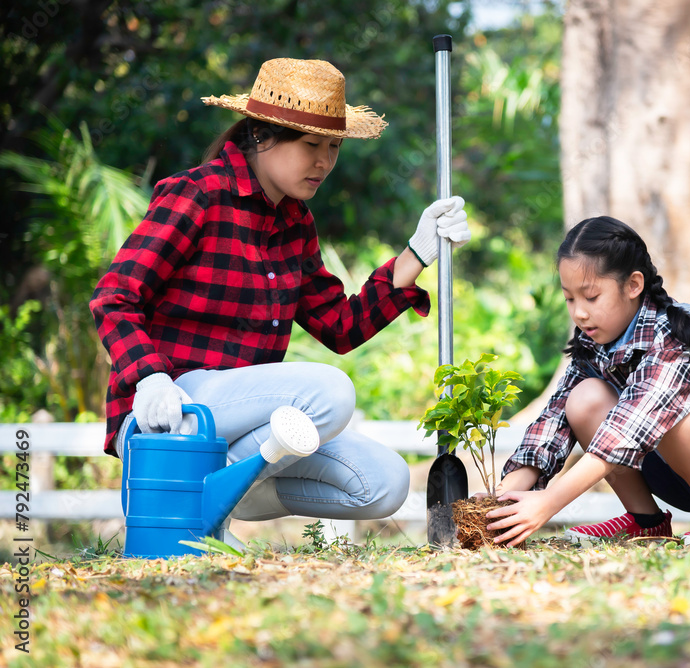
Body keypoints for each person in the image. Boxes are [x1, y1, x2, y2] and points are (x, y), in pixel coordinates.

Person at [91, 57, 471, 545]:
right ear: (262, 136)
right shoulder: (198, 195)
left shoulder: (294, 223)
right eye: (311, 144)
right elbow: (114, 296)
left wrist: (416, 255)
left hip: (237, 434)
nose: (324, 162)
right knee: (330, 393)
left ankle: (200, 502)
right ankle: (174, 494)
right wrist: (150, 378)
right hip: (165, 417)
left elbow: (339, 326)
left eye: (334, 146)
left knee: (384, 482)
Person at [484, 216, 690, 546]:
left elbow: (630, 428)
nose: (579, 313)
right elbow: (553, 423)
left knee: (673, 411)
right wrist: (499, 500)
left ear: (633, 285)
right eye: (570, 299)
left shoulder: (676, 335)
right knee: (583, 398)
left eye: (591, 296)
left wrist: (549, 503)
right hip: (673, 470)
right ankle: (646, 521)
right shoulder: (594, 340)